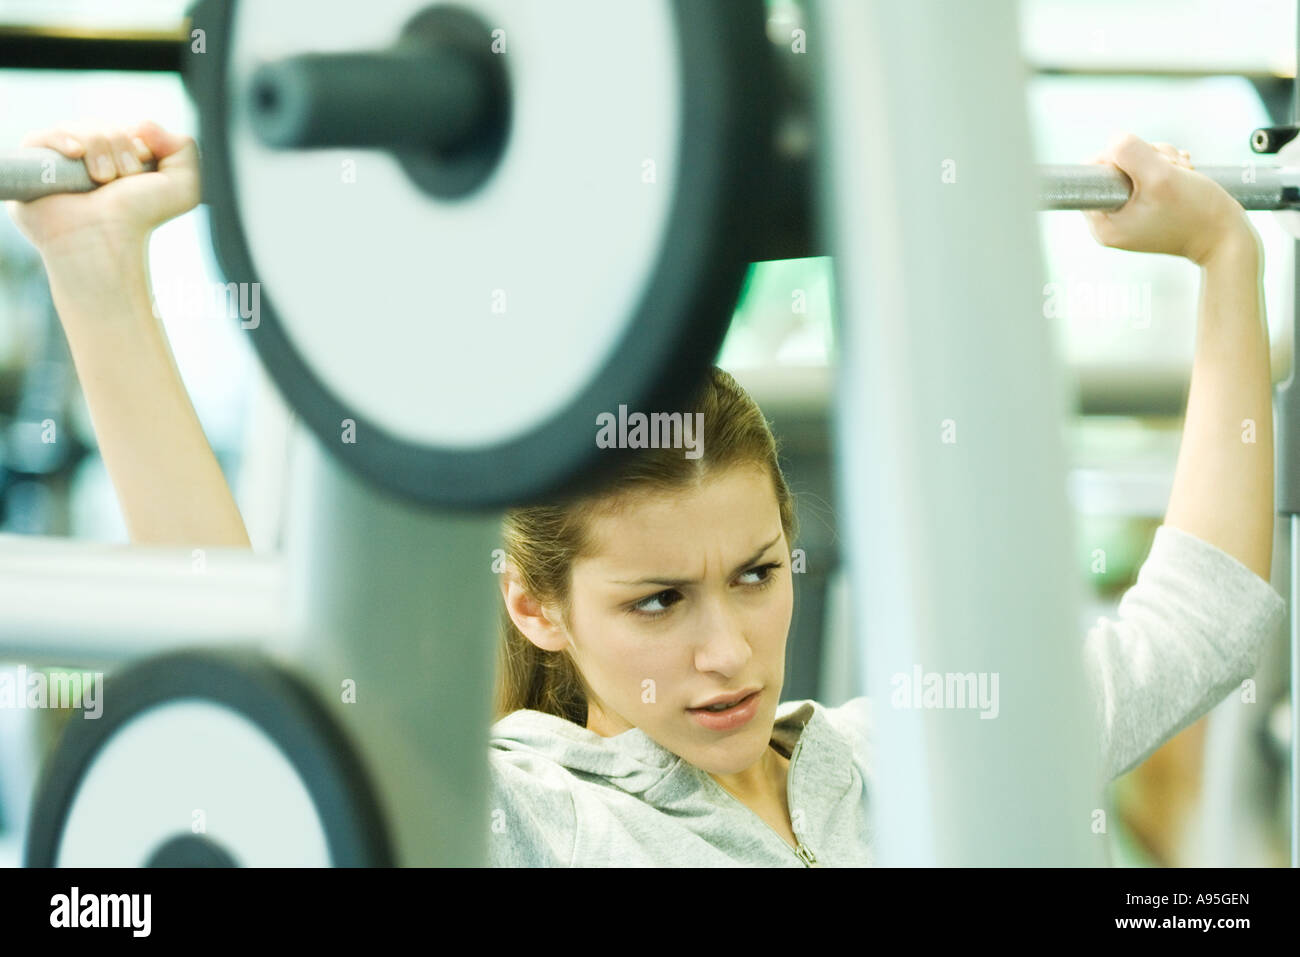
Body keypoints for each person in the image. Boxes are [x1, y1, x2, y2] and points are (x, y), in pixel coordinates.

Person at [6, 124, 1285, 866]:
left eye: (757, 573)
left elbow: (1203, 622)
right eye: (657, 599)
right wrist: (99, 279)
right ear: (536, 606)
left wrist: (1225, 254)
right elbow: (257, 665)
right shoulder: (527, 817)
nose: (727, 651)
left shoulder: (907, 760)